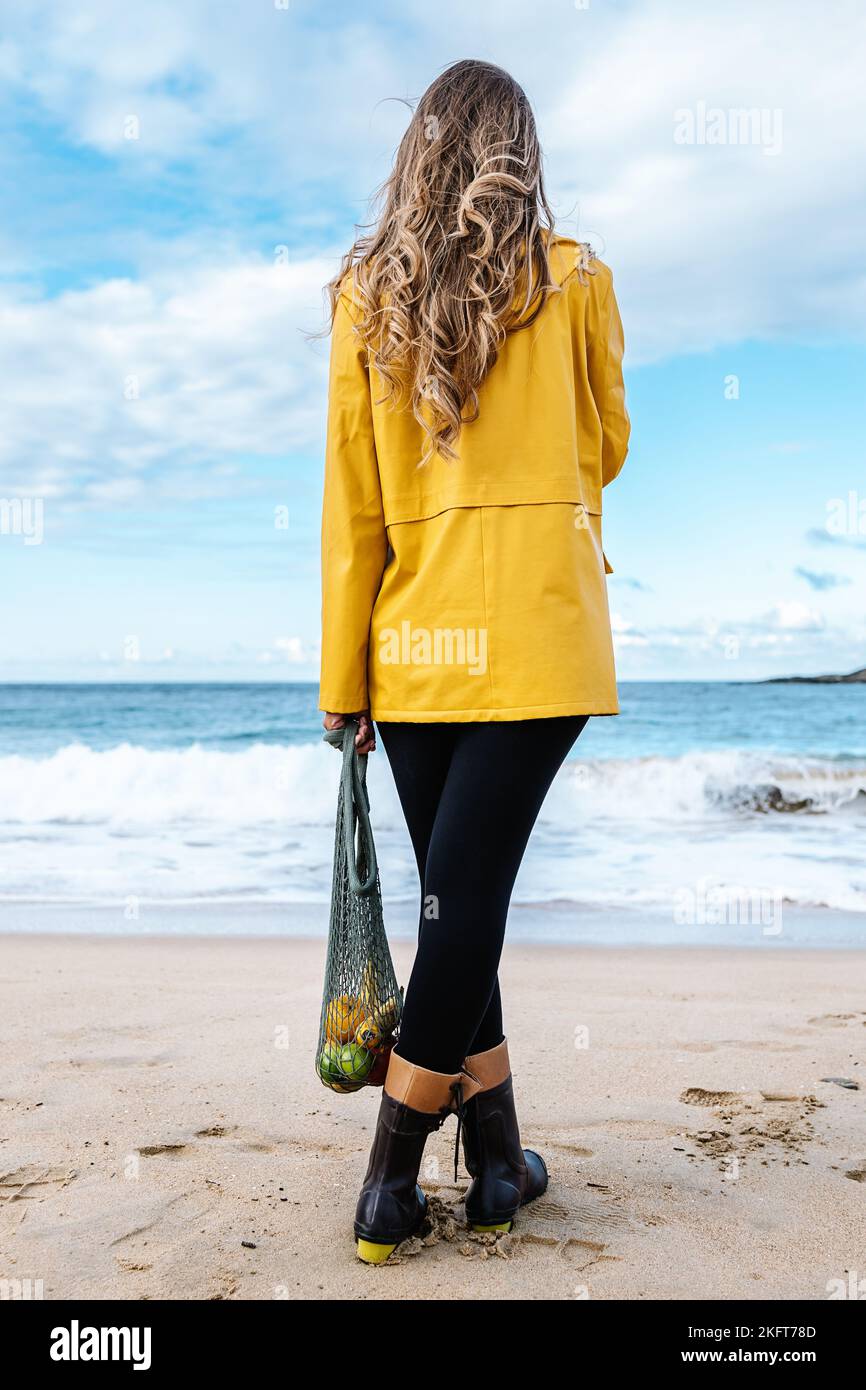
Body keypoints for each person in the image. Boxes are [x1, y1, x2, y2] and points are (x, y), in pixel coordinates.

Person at [319, 58, 629, 1263]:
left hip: (415, 647)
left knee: (460, 901)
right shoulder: (577, 279)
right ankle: (403, 1175)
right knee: (464, 907)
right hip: (538, 633)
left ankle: (495, 1160)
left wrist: (343, 680)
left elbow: (352, 509)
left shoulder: (363, 299)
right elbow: (604, 446)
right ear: (518, 154)